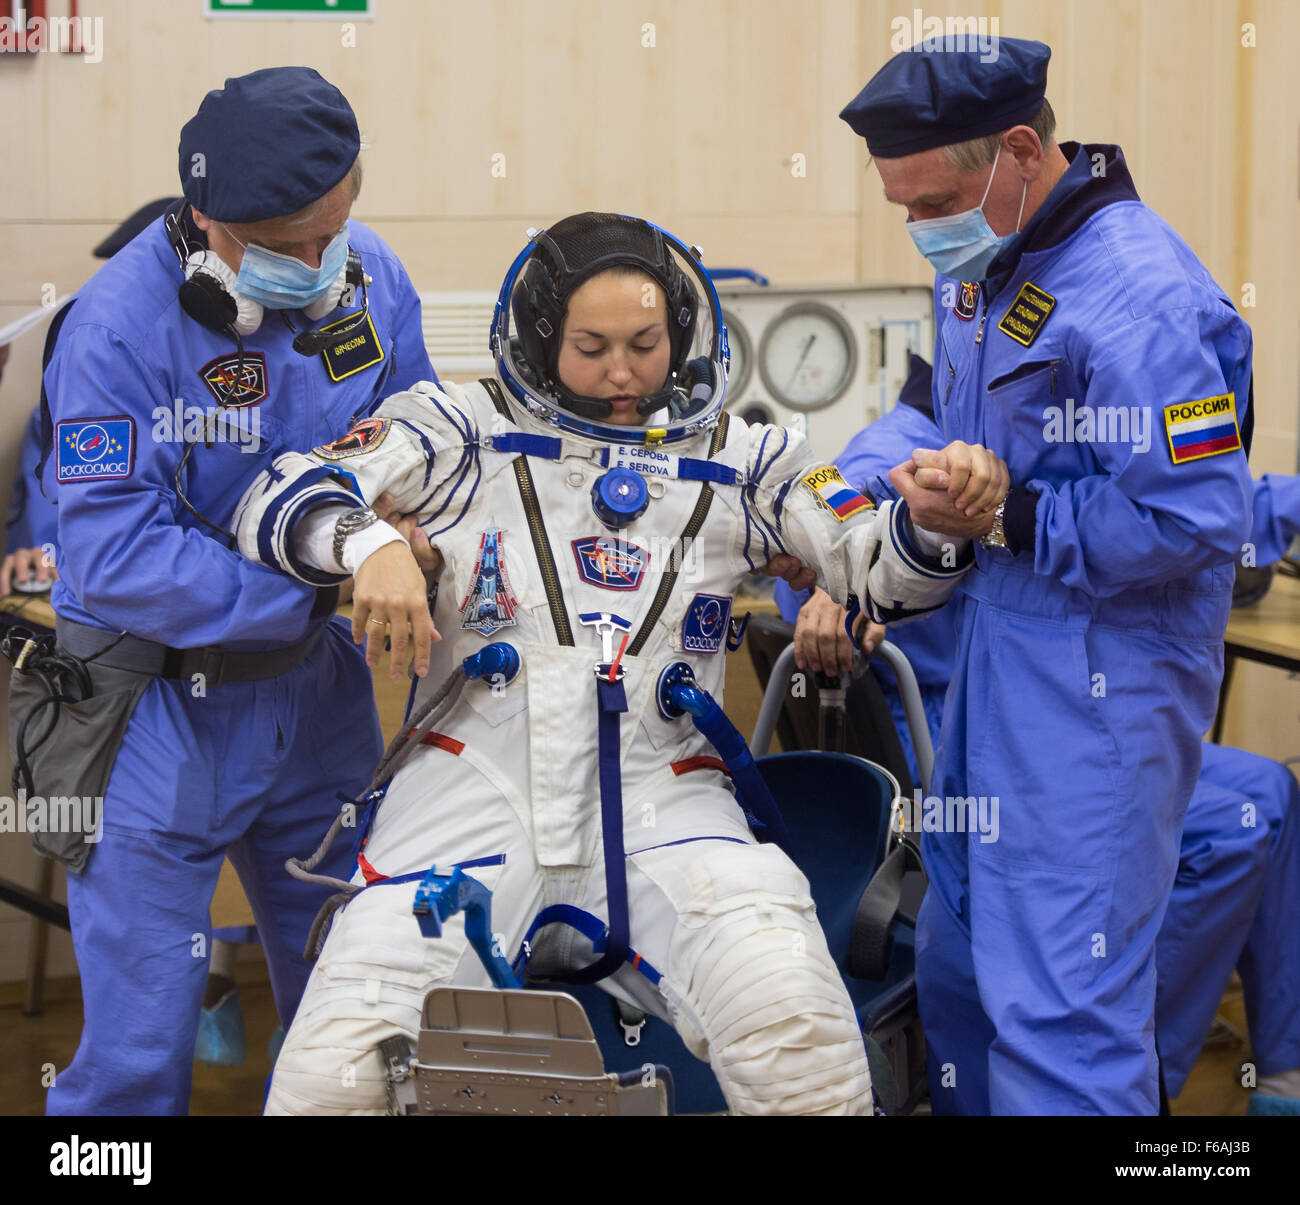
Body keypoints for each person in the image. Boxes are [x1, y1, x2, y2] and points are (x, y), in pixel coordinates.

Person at [226, 211, 994, 1115]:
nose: (622, 373)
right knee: (334, 1077)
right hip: (469, 794)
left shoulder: (748, 459)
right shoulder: (457, 432)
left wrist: (936, 525)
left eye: (644, 345)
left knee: (799, 1033)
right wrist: (372, 547)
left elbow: (875, 566)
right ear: (541, 340)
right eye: (591, 348)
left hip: (668, 798)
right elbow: (278, 494)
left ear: (683, 334)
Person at [839, 37, 1255, 1114]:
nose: (923, 229)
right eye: (903, 208)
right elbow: (955, 424)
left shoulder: (1143, 298)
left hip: (1099, 685)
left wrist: (1010, 515)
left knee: (1062, 1021)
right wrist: (901, 487)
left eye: (935, 203)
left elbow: (1199, 516)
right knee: (961, 975)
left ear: (1021, 151)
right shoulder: (989, 264)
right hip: (994, 663)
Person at [20, 67, 437, 1115]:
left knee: (355, 1007)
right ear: (205, 219)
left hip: (315, 697)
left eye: (331, 230)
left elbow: (417, 431)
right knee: (138, 1051)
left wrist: (418, 529)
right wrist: (333, 569)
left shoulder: (369, 274)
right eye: (285, 245)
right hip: (152, 709)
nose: (318, 261)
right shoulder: (116, 328)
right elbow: (115, 556)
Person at [779, 356, 1300, 1115]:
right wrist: (835, 580)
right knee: (1248, 816)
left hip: (1030, 719)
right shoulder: (915, 442)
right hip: (968, 748)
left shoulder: (1001, 442)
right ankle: (1143, 1067)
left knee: (1267, 793)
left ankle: (1277, 1074)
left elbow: (1192, 500)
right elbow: (843, 506)